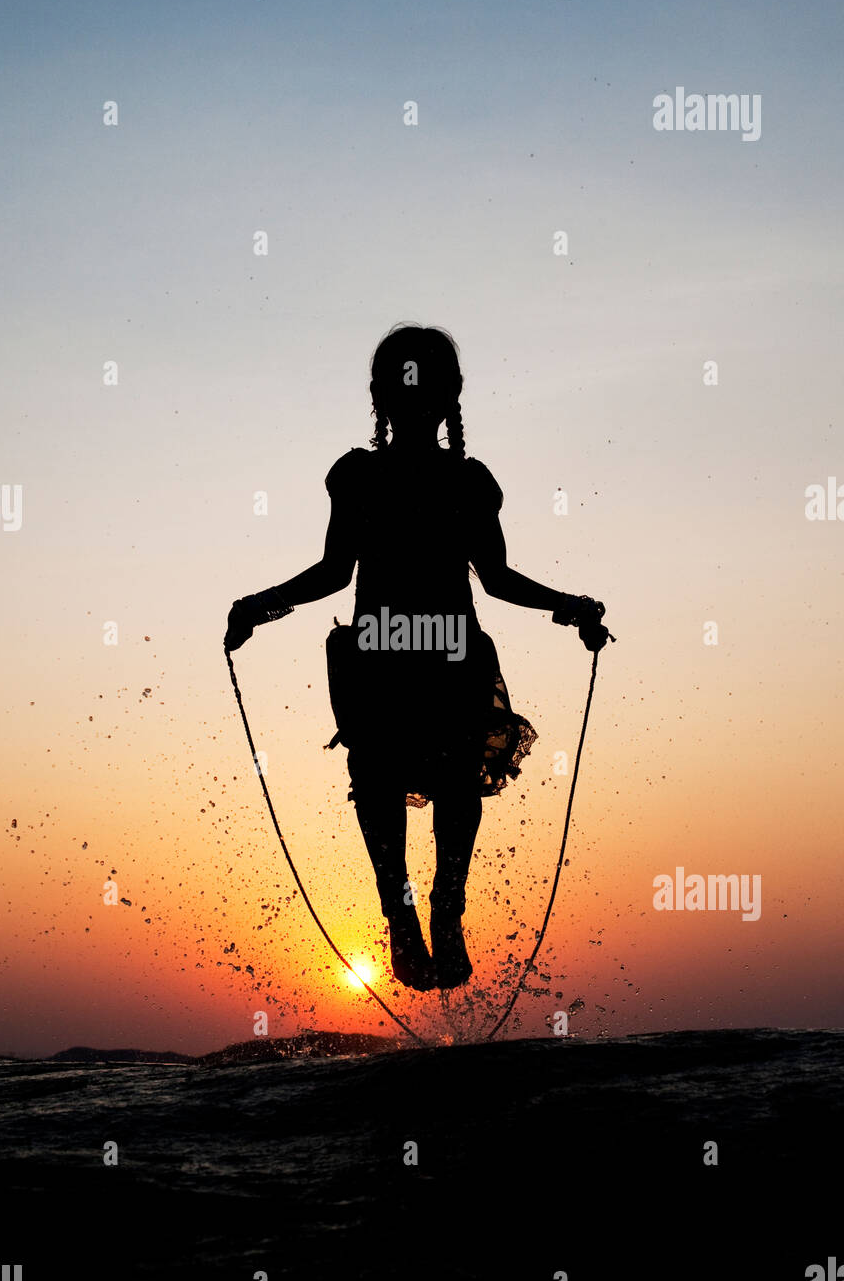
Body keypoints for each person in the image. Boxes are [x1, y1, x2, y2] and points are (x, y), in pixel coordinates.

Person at [225, 323, 609, 993]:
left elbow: (497, 577)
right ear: (383, 398)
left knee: (451, 781)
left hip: (446, 659)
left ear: (445, 400)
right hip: (382, 661)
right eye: (404, 383)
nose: (413, 397)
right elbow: (333, 572)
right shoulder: (358, 477)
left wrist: (569, 605)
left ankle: (445, 908)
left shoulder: (468, 482)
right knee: (380, 778)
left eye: (425, 384)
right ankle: (402, 916)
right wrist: (260, 605)